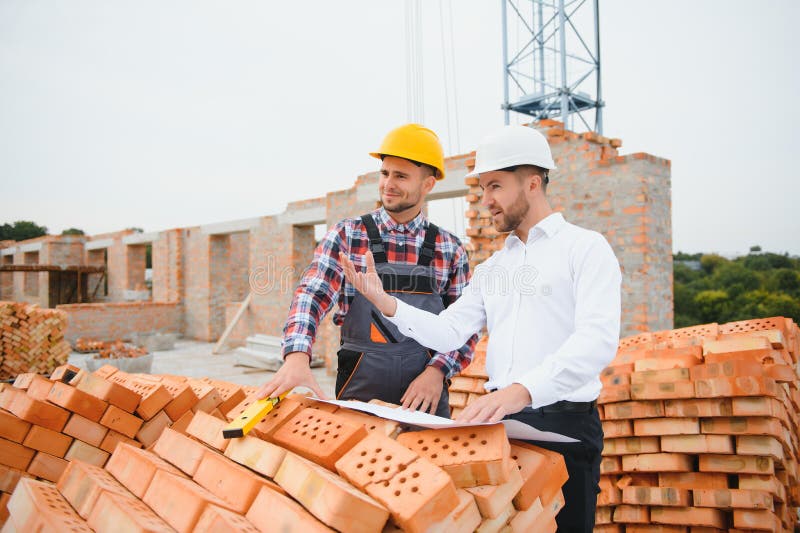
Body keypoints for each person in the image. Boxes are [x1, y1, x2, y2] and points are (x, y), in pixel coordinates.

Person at [340, 124, 621, 532]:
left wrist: (520, 390)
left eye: (495, 187)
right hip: (501, 431)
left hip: (565, 429)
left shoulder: (585, 249)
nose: (485, 200)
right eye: (482, 188)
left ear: (533, 183)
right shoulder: (494, 269)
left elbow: (596, 341)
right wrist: (386, 303)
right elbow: (450, 331)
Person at [257, 123, 477, 417]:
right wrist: (297, 355)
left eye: (401, 176)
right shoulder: (348, 235)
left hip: (424, 398)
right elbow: (312, 294)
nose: (388, 183)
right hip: (359, 392)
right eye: (385, 173)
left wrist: (438, 371)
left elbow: (463, 325)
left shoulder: (449, 248)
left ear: (427, 185)